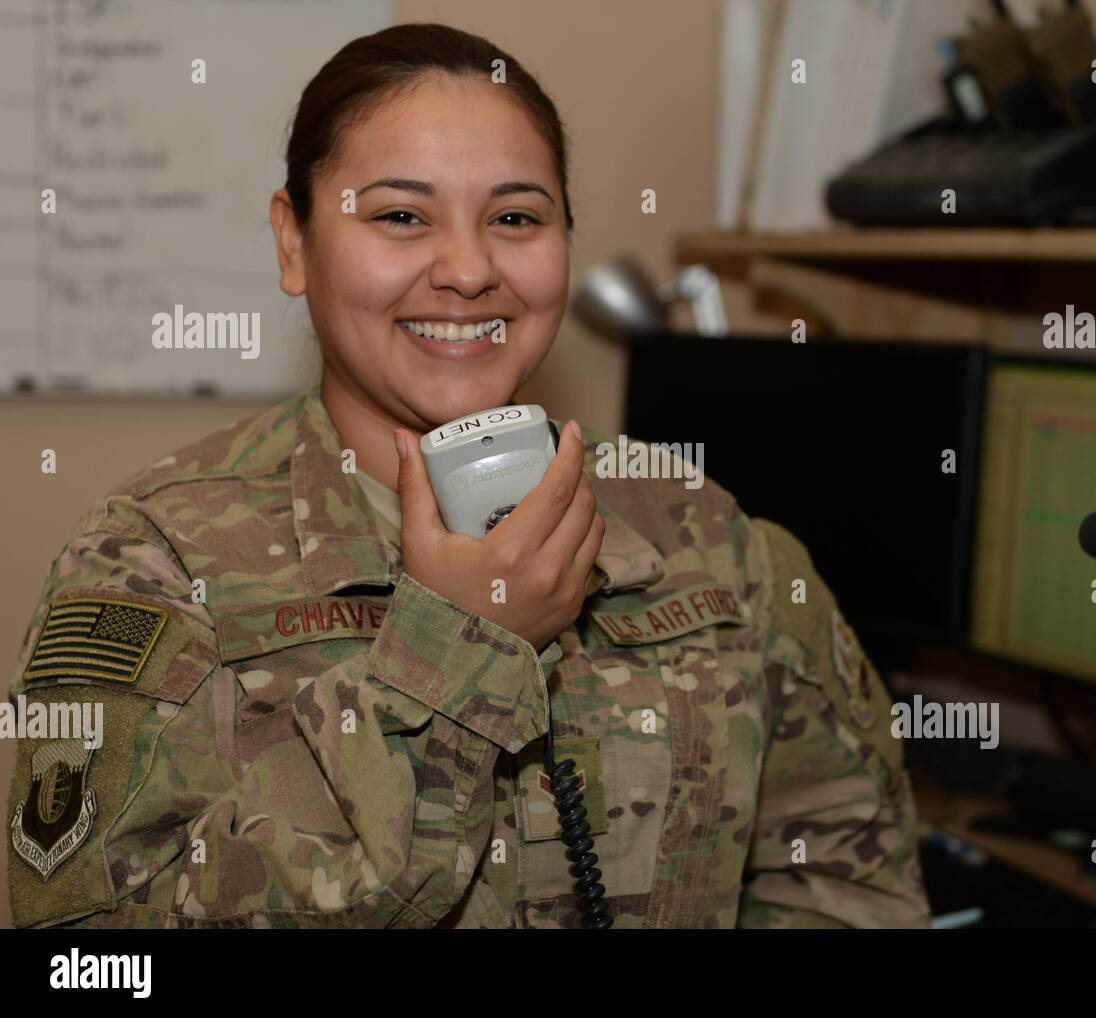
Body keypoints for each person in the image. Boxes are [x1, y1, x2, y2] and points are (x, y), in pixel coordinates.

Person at [6, 23, 929, 929]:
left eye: (516, 218)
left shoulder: (708, 535)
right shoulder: (152, 561)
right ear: (294, 242)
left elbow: (847, 874)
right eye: (401, 216)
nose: (469, 269)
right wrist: (450, 658)